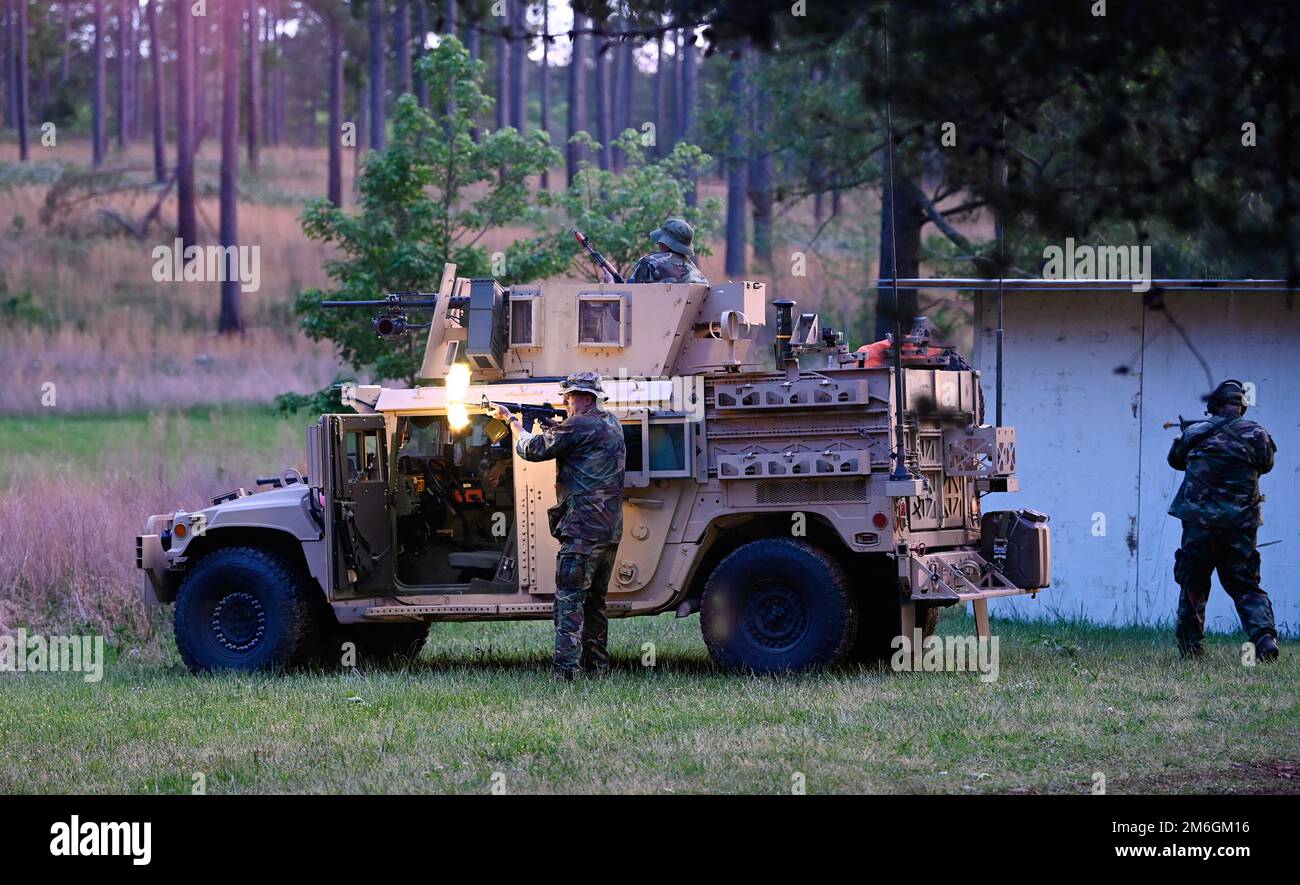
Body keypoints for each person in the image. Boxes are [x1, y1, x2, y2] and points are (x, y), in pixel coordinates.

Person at [495, 372, 626, 679]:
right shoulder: (611, 423)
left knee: (569, 602)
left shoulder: (579, 425)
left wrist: (511, 422)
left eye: (569, 397)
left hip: (581, 530)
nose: (565, 402)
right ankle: (598, 669)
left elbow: (532, 449)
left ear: (585, 397)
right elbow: (579, 445)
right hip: (608, 531)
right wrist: (555, 427)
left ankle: (566, 673)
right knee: (594, 603)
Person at [1167, 379, 1279, 661]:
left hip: (1199, 526)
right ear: (1241, 407)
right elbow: (1266, 464)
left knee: (1193, 583)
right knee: (1244, 584)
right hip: (1239, 527)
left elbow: (1176, 460)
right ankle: (1264, 639)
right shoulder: (1258, 435)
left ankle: (1191, 649)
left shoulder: (1195, 433)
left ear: (1214, 406)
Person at [628, 218, 710, 285]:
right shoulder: (694, 270)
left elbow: (629, 293)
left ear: (665, 243)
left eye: (660, 240)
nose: (658, 243)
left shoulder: (649, 262)